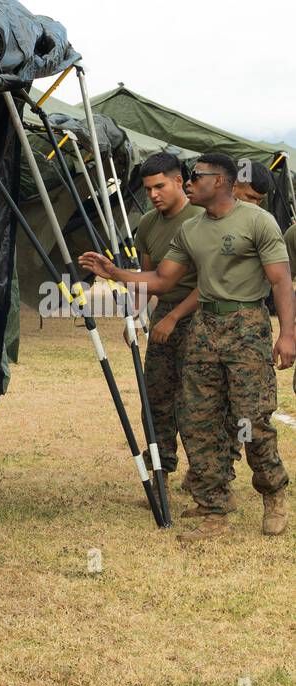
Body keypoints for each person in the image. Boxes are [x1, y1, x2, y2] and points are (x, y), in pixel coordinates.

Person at [82, 153, 295, 541]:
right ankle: (215, 508)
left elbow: (281, 283)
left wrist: (287, 335)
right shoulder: (192, 230)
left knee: (252, 420)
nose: (190, 182)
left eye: (197, 176)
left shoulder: (258, 221)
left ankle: (274, 493)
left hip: (247, 325)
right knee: (199, 420)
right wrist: (113, 273)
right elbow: (162, 280)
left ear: (222, 182)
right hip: (204, 327)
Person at [135, 152, 206, 512]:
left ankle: (206, 477)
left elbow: (209, 283)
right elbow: (148, 280)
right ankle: (160, 470)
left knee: (197, 403)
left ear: (180, 181)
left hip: (198, 317)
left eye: (160, 186)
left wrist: (175, 316)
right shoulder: (147, 224)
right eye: (148, 189)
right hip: (164, 318)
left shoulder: (200, 220)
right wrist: (135, 316)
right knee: (157, 398)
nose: (153, 195)